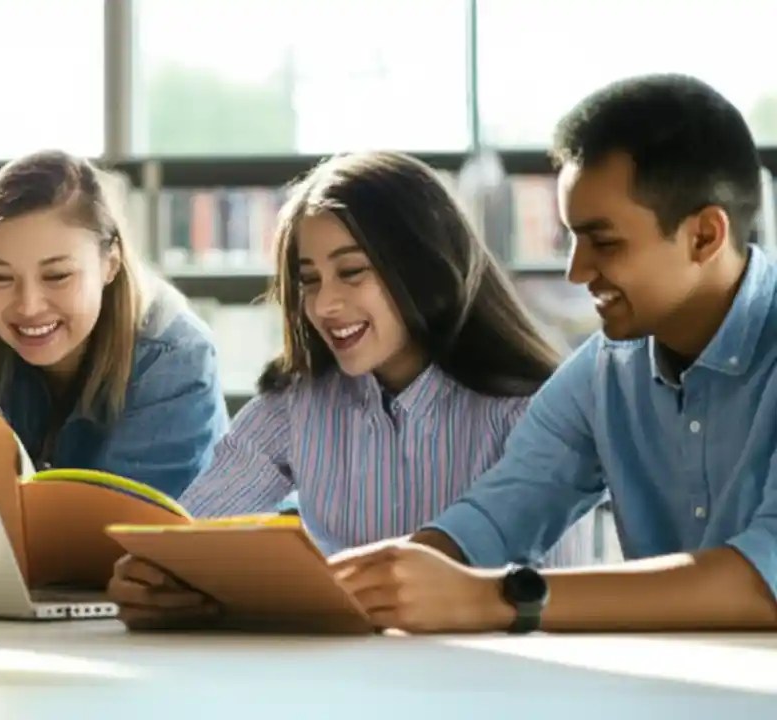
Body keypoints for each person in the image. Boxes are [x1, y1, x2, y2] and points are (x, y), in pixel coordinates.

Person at [321, 73, 777, 634]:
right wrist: (368, 584)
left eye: (604, 242)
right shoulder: (604, 370)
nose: (577, 271)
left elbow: (764, 582)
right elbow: (495, 518)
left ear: (705, 236)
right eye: (572, 240)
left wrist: (498, 599)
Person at [109, 150, 598, 629]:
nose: (324, 305)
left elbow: (549, 607)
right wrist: (153, 577)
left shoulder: (529, 413)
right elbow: (186, 537)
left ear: (422, 265)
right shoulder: (296, 405)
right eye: (309, 280)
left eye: (351, 272)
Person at [0, 149, 228, 499]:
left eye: (57, 276)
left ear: (111, 262)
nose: (28, 306)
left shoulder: (176, 358)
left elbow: (120, 531)